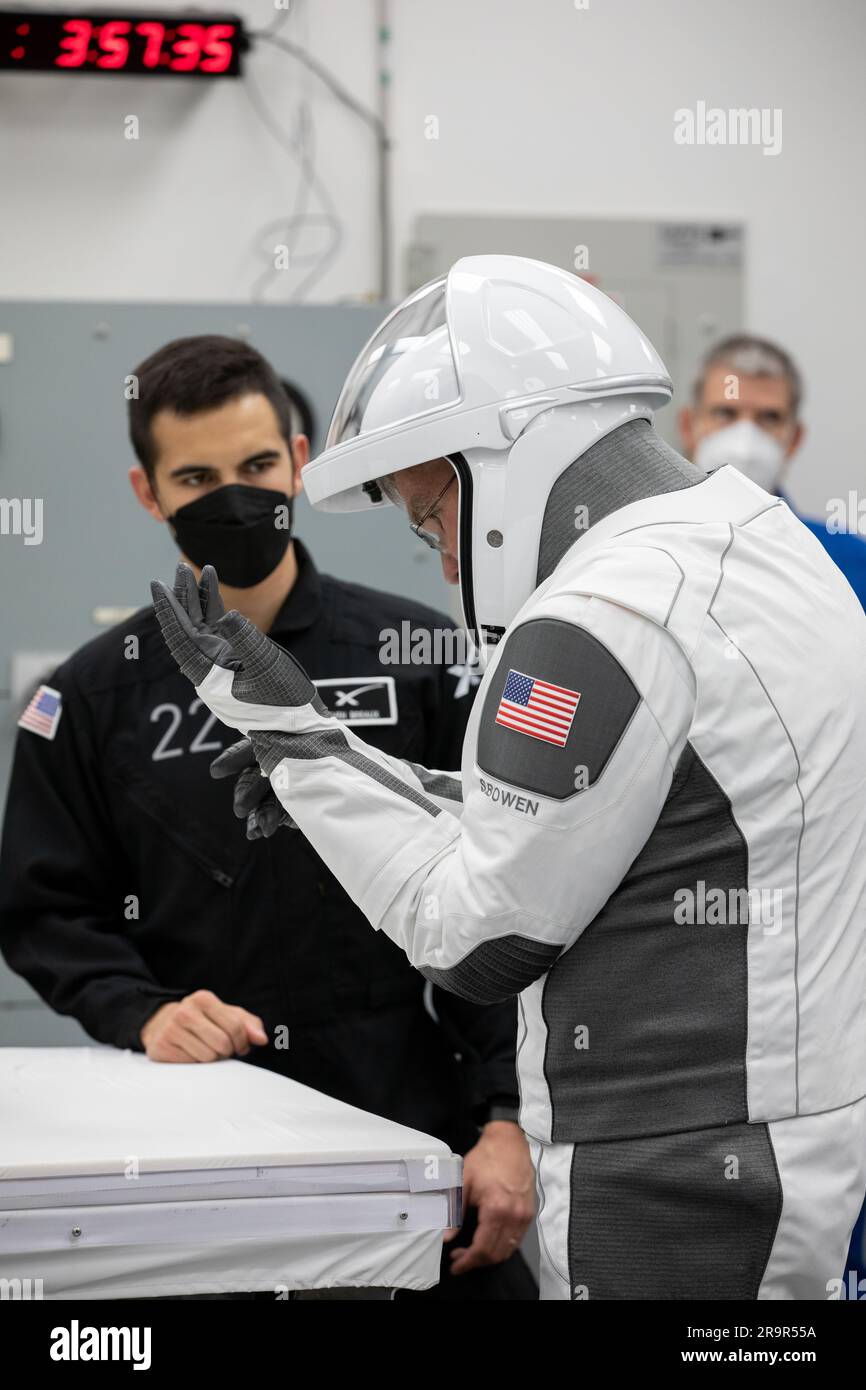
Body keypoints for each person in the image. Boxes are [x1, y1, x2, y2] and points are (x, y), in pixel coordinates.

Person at [152, 258, 866, 1301]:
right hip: (777, 1143)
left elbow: (478, 938)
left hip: (668, 1174)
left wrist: (287, 737)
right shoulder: (754, 540)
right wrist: (343, 766)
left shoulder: (593, 618)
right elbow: (622, 819)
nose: (442, 560)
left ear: (499, 461)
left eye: (428, 515)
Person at [0, 334, 536, 1300]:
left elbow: (501, 886)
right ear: (146, 492)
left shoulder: (415, 653)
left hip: (416, 1129)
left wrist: (506, 1113)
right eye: (196, 476)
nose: (235, 495)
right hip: (190, 1150)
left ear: (297, 460)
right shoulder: (87, 697)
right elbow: (42, 909)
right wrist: (145, 1011)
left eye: (256, 466)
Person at [678, 333, 866, 606]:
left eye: (769, 418)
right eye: (725, 414)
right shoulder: (640, 547)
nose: (745, 439)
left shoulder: (848, 563)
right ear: (687, 426)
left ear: (794, 439)